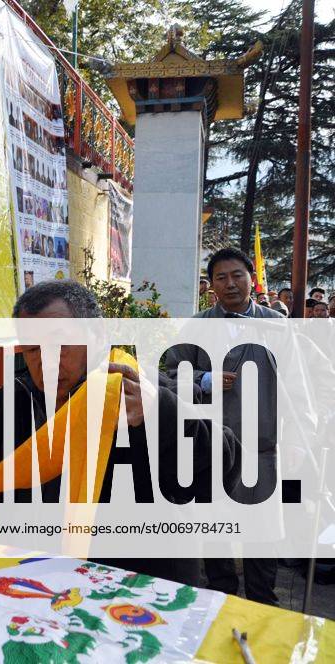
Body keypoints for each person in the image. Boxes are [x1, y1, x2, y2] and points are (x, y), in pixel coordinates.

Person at [0, 281, 239, 587]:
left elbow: (225, 468)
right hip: (45, 582)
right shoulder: (19, 399)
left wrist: (160, 413)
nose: (46, 361)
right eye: (32, 349)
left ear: (99, 335)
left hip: (139, 594)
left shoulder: (144, 392)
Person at [164, 247, 283, 606]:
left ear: (252, 278)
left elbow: (298, 382)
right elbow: (169, 374)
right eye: (221, 277)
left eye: (237, 275)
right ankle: (219, 602)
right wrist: (203, 379)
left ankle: (263, 607)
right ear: (211, 285)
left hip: (264, 448)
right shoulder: (197, 326)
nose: (230, 283)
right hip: (212, 449)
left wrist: (300, 434)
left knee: (262, 535)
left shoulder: (276, 325)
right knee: (216, 531)